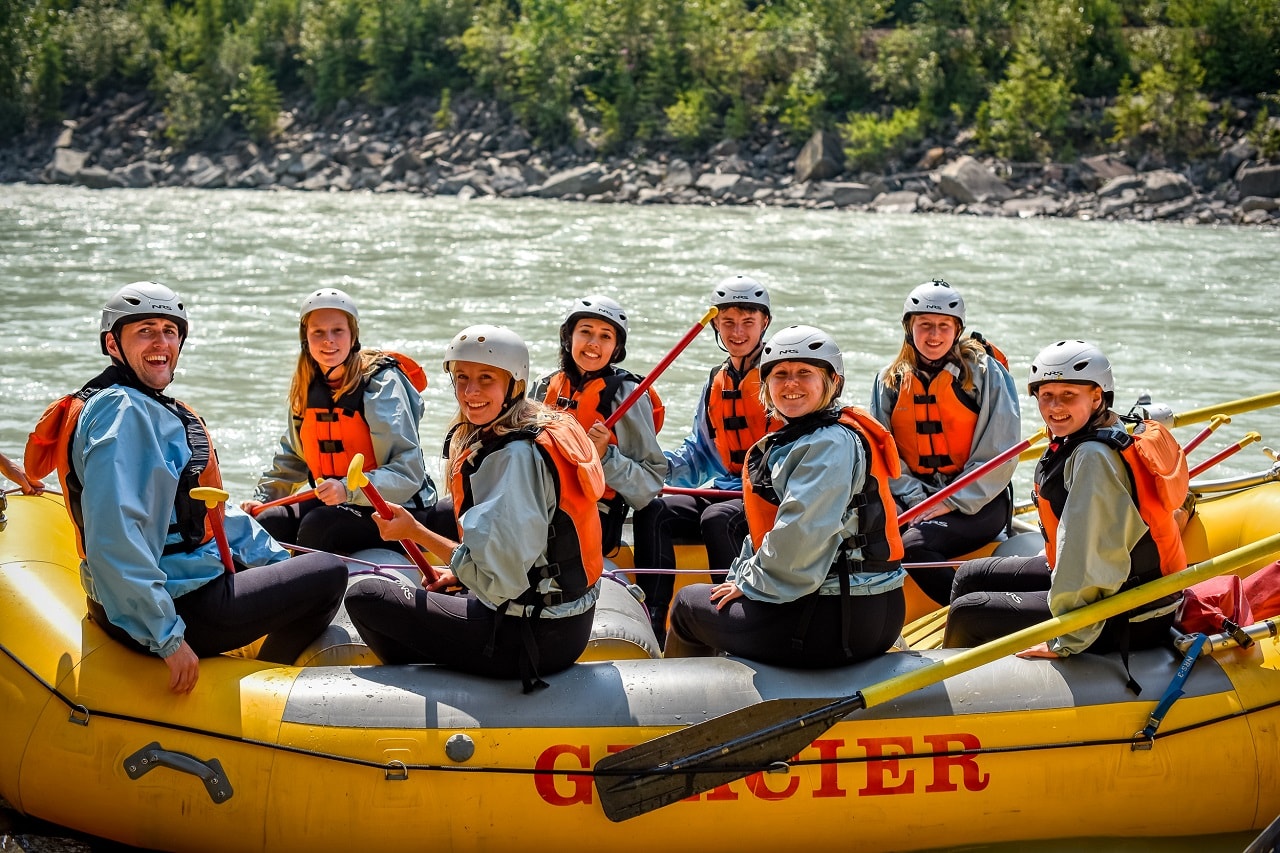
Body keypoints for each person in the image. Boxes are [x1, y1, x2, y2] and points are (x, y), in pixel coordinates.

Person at [24, 281, 347, 694]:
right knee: (330, 573)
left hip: (149, 600)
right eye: (145, 331)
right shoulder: (123, 414)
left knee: (294, 563)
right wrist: (168, 638)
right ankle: (273, 684)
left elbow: (205, 509)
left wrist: (274, 560)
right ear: (113, 343)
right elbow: (115, 537)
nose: (161, 342)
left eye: (170, 330)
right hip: (178, 608)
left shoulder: (134, 402)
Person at [344, 324, 607, 692]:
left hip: (530, 636)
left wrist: (415, 533)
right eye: (463, 377)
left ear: (513, 384)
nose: (470, 391)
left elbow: (497, 584)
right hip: (563, 621)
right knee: (442, 526)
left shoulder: (515, 457)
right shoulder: (541, 422)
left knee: (366, 596)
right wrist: (461, 574)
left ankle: (424, 685)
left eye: (487, 379)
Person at [664, 325, 907, 666]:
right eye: (780, 375)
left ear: (832, 382)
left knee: (689, 606)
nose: (790, 384)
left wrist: (749, 584)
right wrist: (742, 577)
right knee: (721, 594)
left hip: (838, 618)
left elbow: (799, 536)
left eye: (804, 373)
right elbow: (773, 532)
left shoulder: (828, 444)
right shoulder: (805, 438)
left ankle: (679, 712)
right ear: (765, 388)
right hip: (854, 608)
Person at [944, 341, 1188, 678]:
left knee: (969, 613)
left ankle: (953, 697)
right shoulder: (1101, 431)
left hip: (1130, 610)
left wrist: (1066, 638)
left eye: (1068, 395)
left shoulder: (1093, 458)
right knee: (970, 575)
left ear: (1097, 397)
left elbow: (1089, 564)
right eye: (1046, 395)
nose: (1054, 407)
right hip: (1121, 585)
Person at [631, 274, 776, 640]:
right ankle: (653, 622)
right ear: (715, 325)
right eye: (727, 322)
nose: (737, 332)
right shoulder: (717, 380)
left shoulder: (781, 376)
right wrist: (645, 466)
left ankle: (736, 622)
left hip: (768, 497)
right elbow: (698, 454)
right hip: (727, 488)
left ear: (765, 324)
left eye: (748, 322)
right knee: (654, 507)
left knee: (716, 518)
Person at [240, 288, 439, 555]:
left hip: (396, 509)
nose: (328, 341)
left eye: (338, 331)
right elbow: (293, 459)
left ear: (353, 335)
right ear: (305, 339)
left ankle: (311, 593)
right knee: (269, 521)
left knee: (319, 525)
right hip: (338, 503)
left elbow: (407, 472)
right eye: (318, 332)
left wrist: (347, 489)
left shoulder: (380, 385)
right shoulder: (307, 386)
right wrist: (263, 500)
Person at [869, 279, 1021, 606]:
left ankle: (979, 610)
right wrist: (914, 499)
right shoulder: (890, 380)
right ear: (909, 329)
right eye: (924, 325)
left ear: (957, 330)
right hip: (914, 498)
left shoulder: (984, 373)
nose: (934, 335)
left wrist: (954, 499)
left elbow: (1002, 452)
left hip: (978, 500)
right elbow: (883, 455)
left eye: (943, 326)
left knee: (912, 547)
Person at [530, 294, 667, 553]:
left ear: (616, 349)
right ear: (569, 337)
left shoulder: (628, 396)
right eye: (585, 332)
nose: (594, 343)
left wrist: (604, 457)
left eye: (605, 336)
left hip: (594, 517)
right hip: (540, 505)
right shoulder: (545, 385)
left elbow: (649, 484)